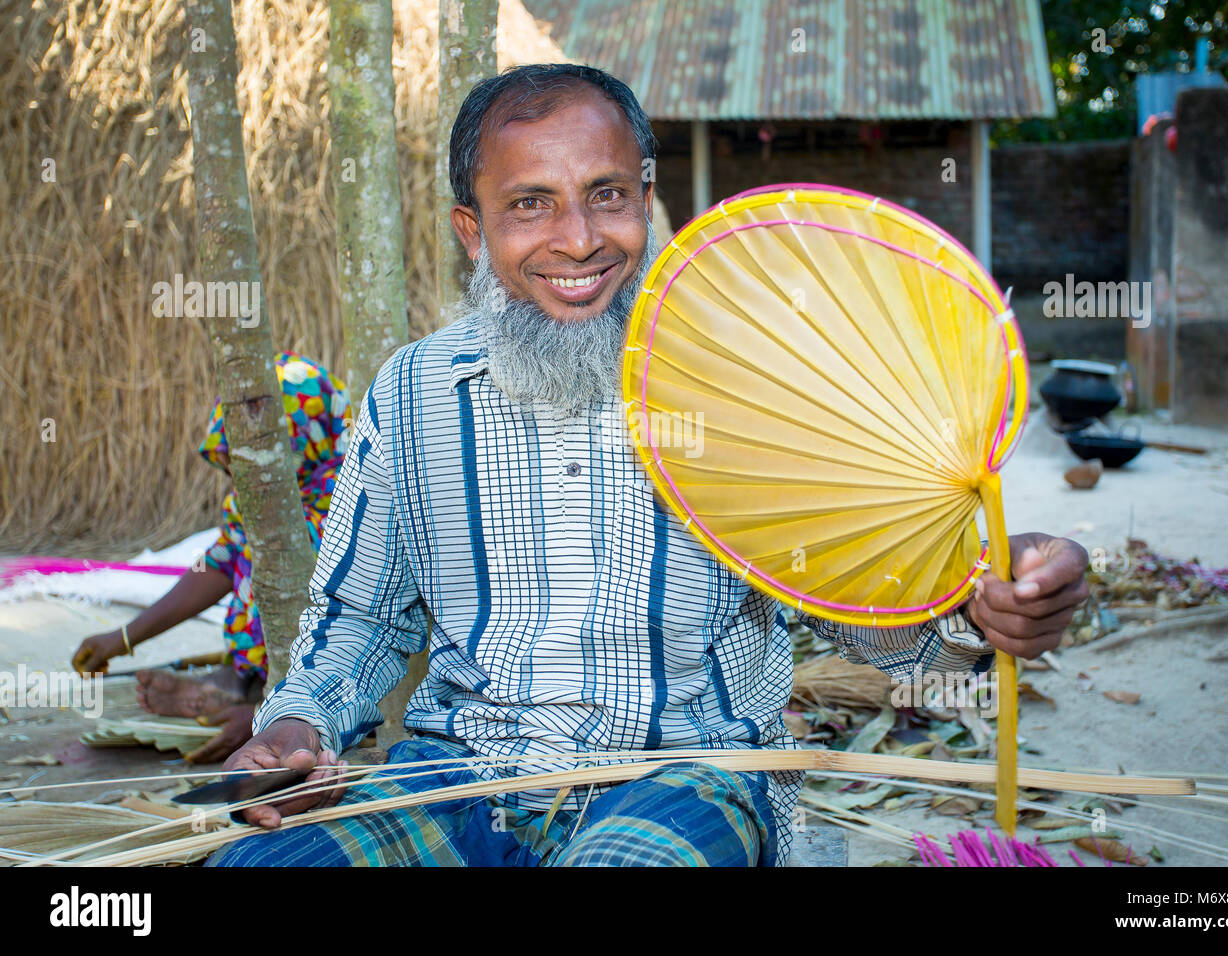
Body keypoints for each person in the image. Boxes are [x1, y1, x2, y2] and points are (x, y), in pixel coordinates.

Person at [208, 63, 1089, 867]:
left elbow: (878, 618)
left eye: (606, 194)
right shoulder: (410, 393)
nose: (580, 238)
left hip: (686, 778)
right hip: (457, 775)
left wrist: (995, 601)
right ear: (471, 232)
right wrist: (294, 725)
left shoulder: (750, 387)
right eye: (530, 204)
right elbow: (359, 617)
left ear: (646, 199)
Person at [72, 352, 351, 764]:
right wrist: (124, 639)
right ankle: (243, 681)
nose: (239, 483)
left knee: (287, 561)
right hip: (280, 664)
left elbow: (355, 636)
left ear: (299, 444)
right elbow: (219, 563)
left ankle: (270, 701)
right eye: (232, 468)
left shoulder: (347, 509)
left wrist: (268, 720)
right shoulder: (260, 500)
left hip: (334, 672)